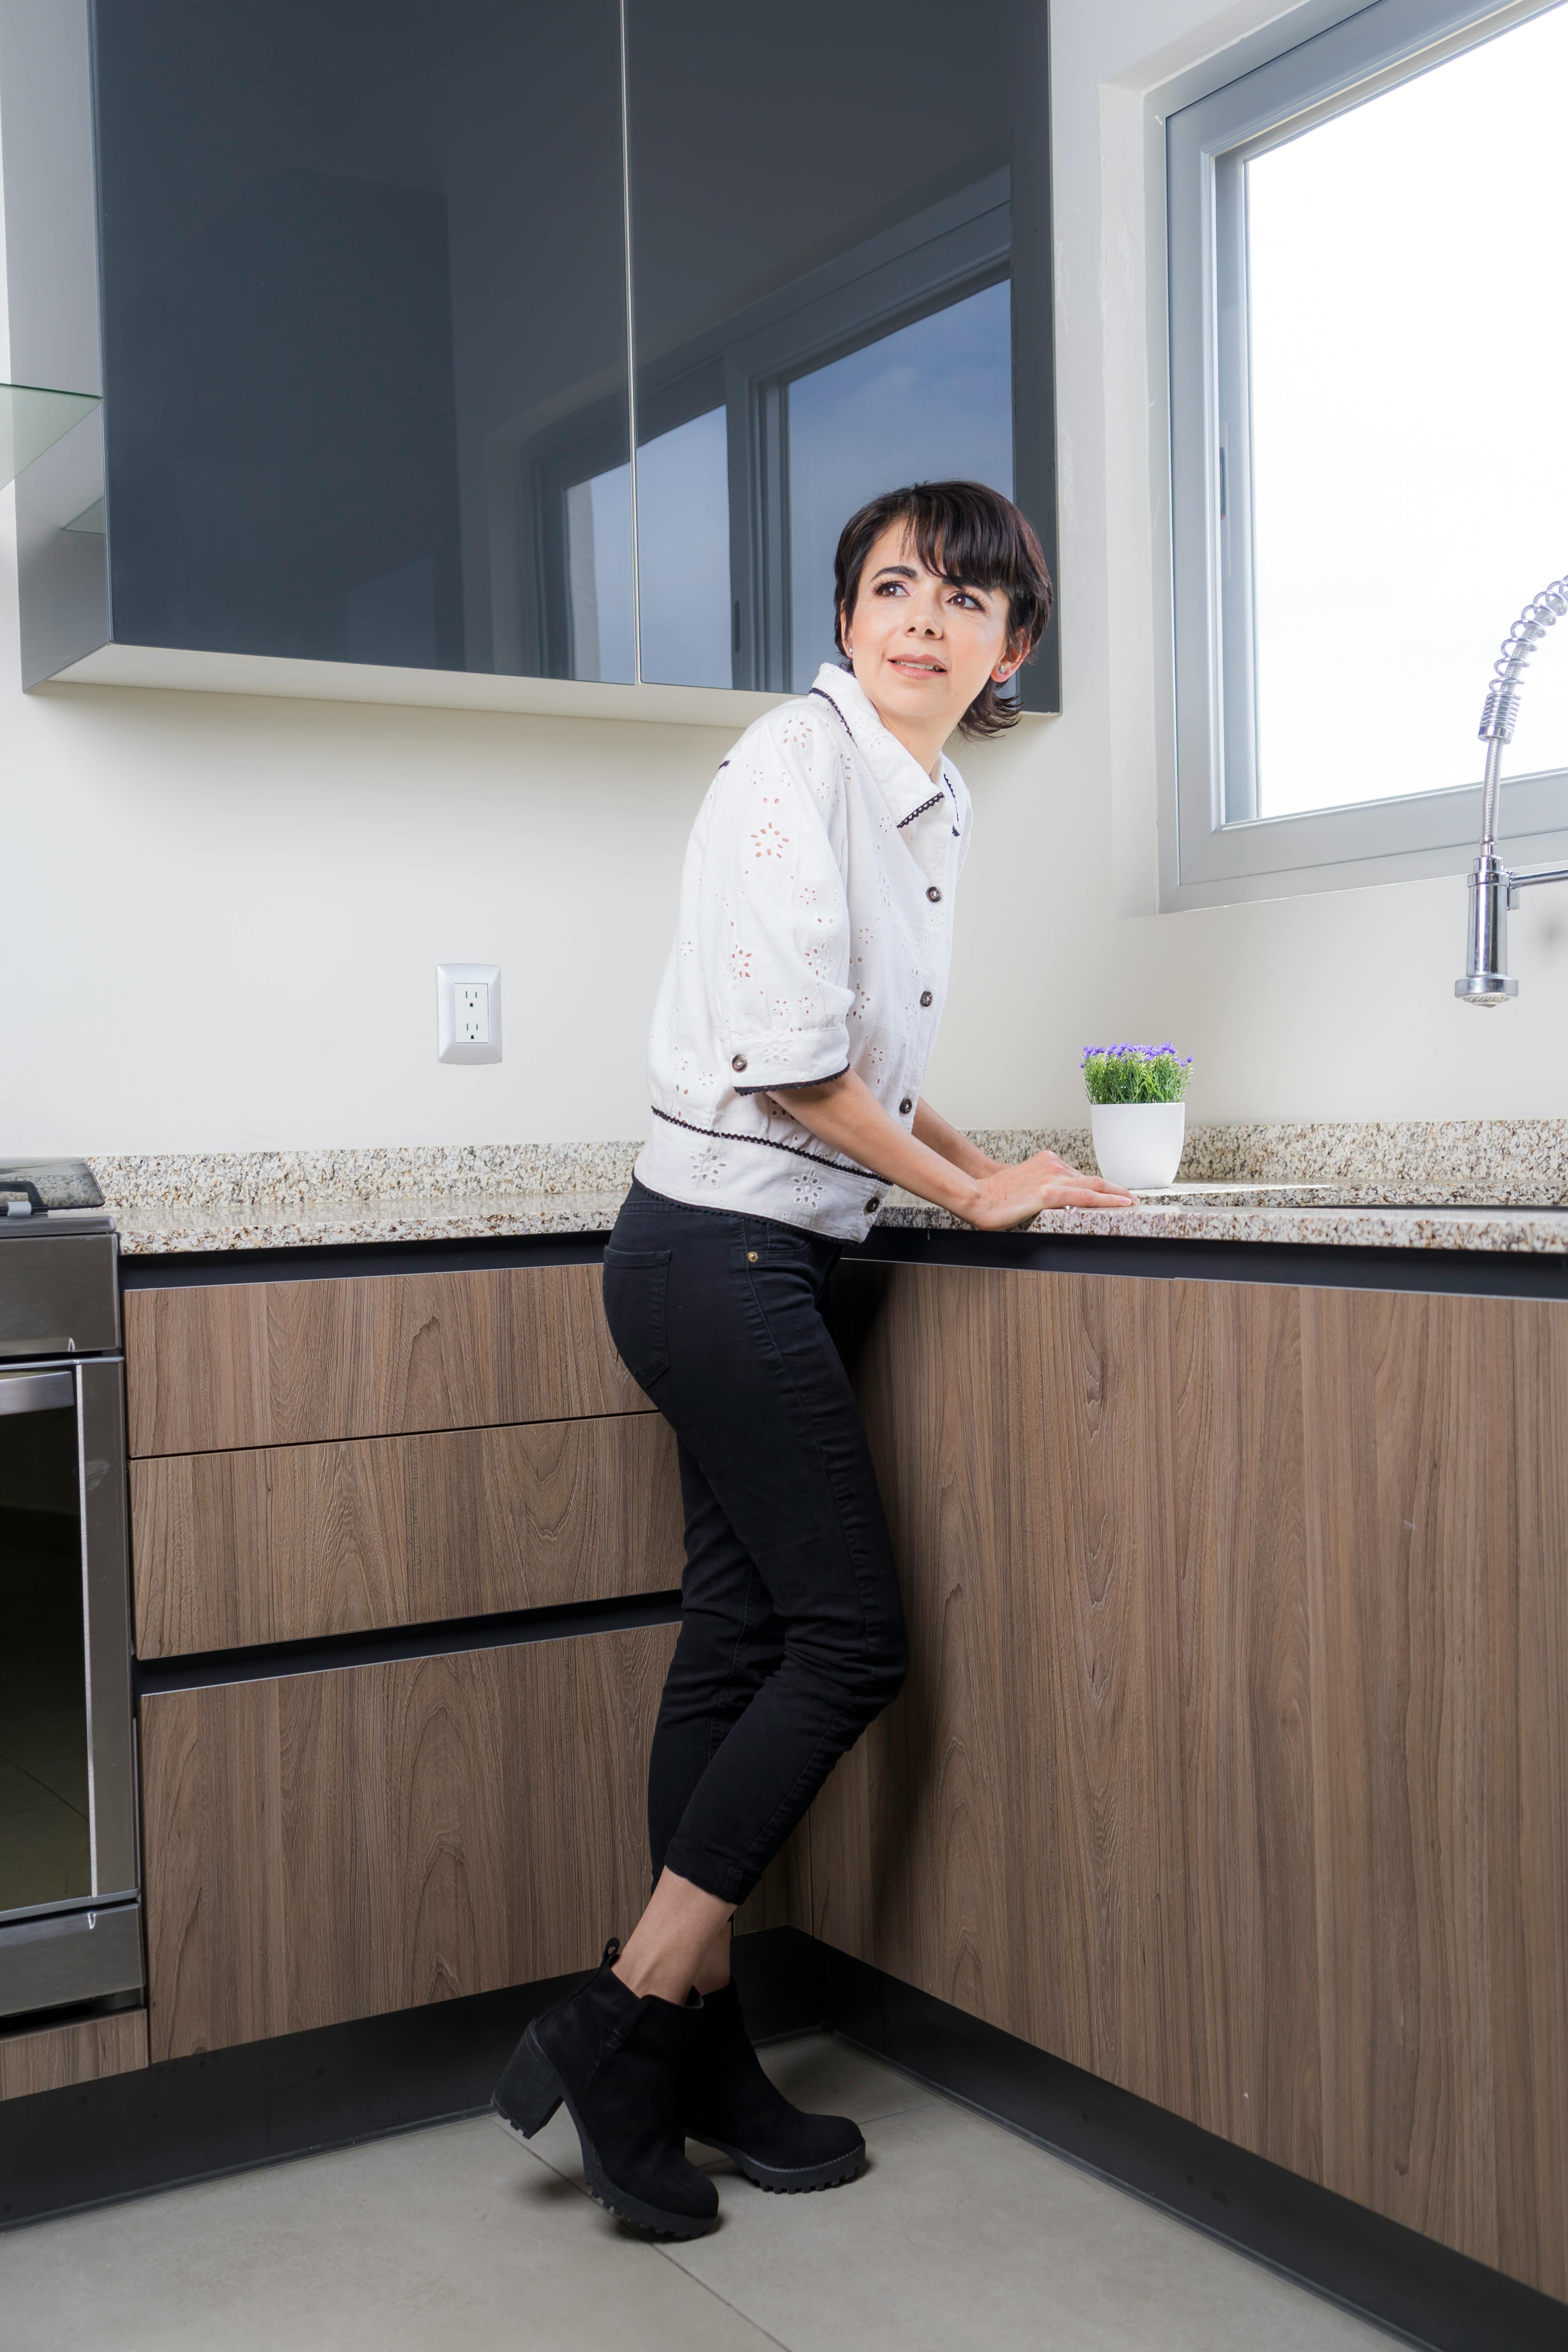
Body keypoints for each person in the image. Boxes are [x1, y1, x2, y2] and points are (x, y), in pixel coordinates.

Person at [493, 479, 1132, 2236]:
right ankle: (623, 2021)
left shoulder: (927, 797)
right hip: (720, 1254)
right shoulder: (797, 757)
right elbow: (790, 1067)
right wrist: (963, 1195)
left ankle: (697, 2060)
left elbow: (874, 1055)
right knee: (846, 1641)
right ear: (846, 616)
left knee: (740, 1636)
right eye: (891, 586)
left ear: (1012, 648)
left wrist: (987, 1166)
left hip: (781, 1256)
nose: (922, 617)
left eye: (965, 599)